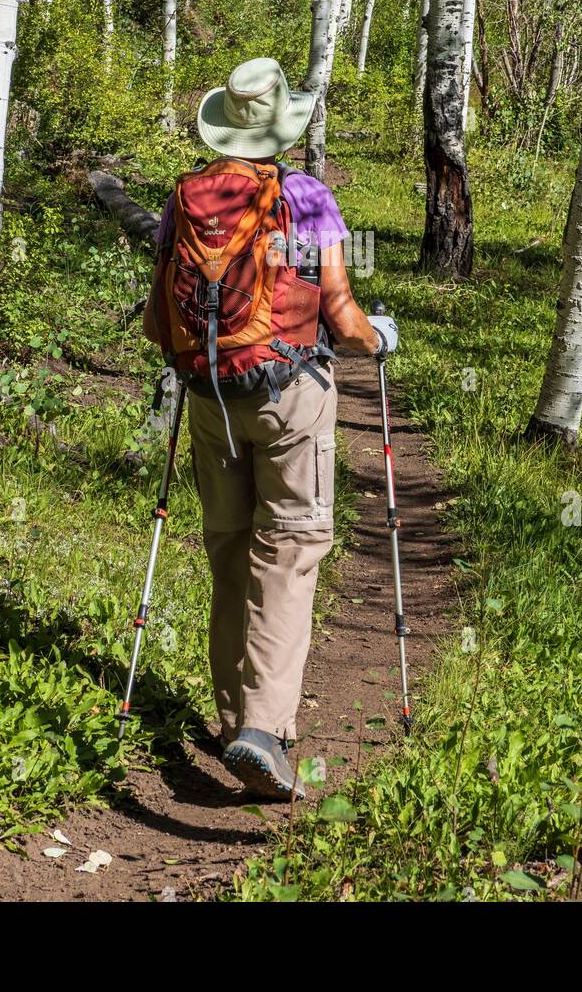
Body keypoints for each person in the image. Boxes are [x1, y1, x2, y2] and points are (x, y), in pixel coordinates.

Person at [144, 58, 398, 798]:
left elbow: (162, 319)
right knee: (286, 551)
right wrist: (377, 341)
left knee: (228, 552)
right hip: (288, 394)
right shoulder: (306, 196)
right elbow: (342, 317)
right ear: (281, 125)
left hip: (207, 395)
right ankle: (262, 729)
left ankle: (234, 724)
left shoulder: (182, 200)